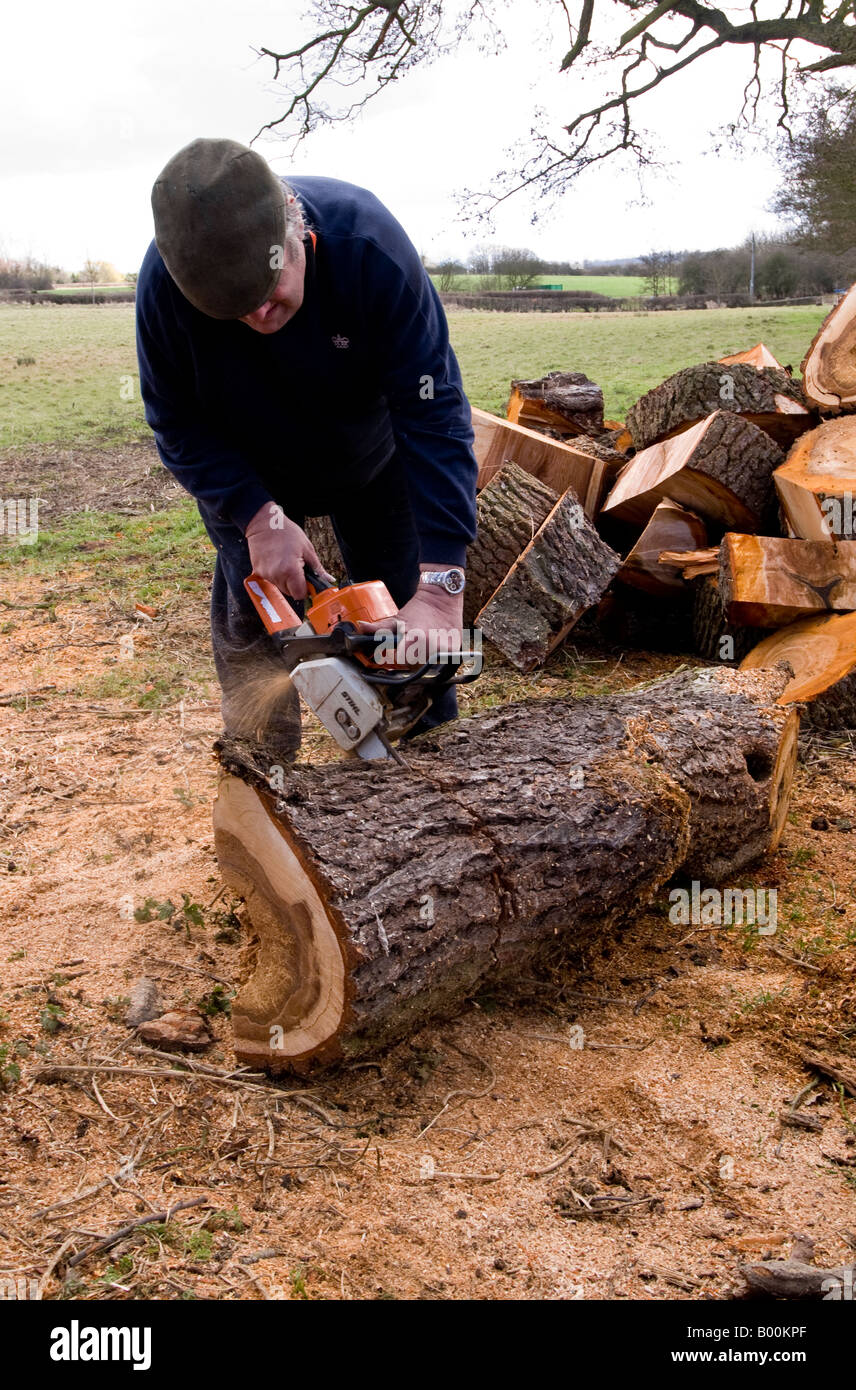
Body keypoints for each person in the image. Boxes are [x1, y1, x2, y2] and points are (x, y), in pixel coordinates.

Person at [135, 137, 477, 762]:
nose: (261, 315)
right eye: (235, 313)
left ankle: (433, 766)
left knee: (407, 619)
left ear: (298, 227)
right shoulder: (165, 288)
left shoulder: (369, 249)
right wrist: (257, 515)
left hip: (372, 458)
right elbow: (175, 422)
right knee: (252, 616)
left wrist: (440, 588)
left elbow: (433, 412)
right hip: (250, 470)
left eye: (269, 290)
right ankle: (263, 776)